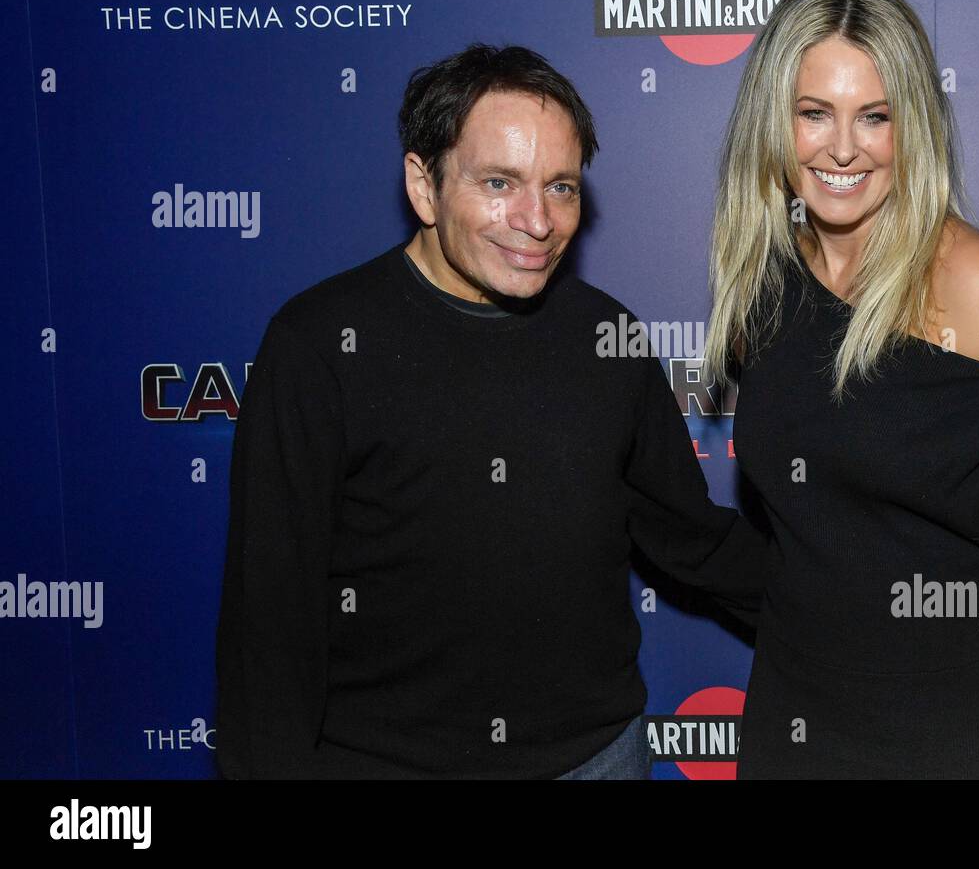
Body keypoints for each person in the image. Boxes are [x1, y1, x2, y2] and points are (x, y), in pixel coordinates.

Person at [215, 43, 767, 780]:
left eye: (562, 187)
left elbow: (688, 537)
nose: (537, 221)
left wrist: (853, 604)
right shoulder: (318, 345)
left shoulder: (608, 337)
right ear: (423, 184)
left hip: (596, 761)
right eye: (500, 182)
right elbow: (270, 618)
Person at [702, 0, 979, 779]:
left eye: (875, 116)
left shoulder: (971, 282)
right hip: (790, 719)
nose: (842, 148)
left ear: (913, 126)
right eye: (814, 114)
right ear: (776, 120)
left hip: (942, 731)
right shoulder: (764, 279)